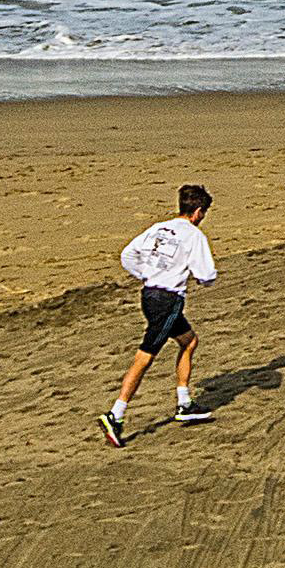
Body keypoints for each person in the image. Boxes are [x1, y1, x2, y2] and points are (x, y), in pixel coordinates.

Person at [99, 184, 218, 447]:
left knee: (189, 340)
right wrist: (197, 279)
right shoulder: (194, 236)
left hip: (149, 296)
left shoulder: (158, 228)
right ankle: (115, 415)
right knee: (145, 357)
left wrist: (147, 274)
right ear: (198, 212)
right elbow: (207, 275)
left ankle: (184, 403)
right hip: (168, 301)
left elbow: (128, 255)